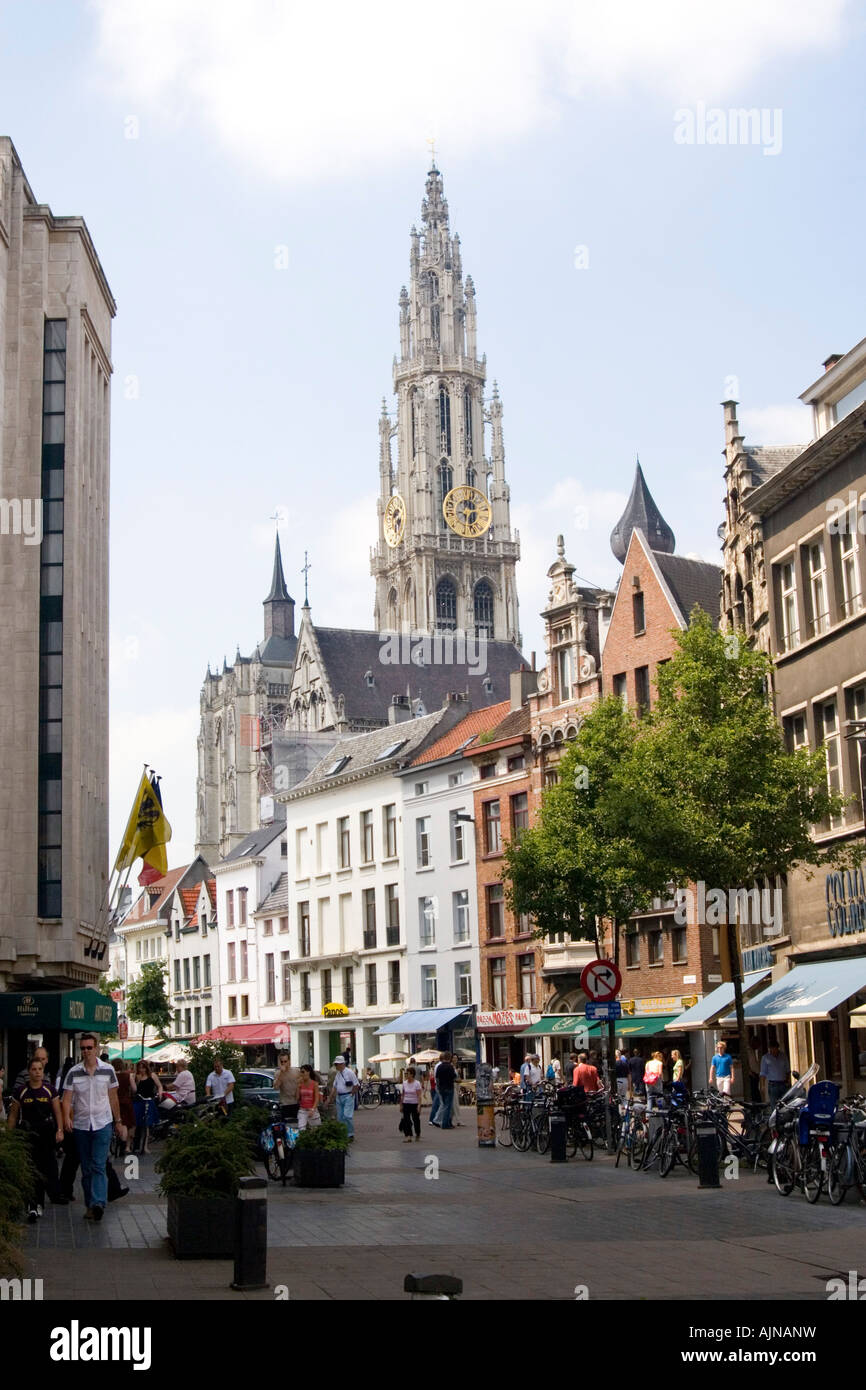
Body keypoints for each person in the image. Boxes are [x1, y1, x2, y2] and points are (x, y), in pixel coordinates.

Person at [61, 1033, 125, 1223]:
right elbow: (66, 1099)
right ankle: (91, 1204)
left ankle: (98, 1203)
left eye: (89, 1048)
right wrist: (66, 1118)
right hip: (81, 1125)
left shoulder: (108, 1070)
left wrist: (118, 1121)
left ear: (96, 1049)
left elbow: (113, 1097)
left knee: (98, 1165)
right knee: (87, 1168)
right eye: (83, 1048)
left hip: (102, 1123)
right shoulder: (74, 1072)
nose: (86, 1051)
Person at [7, 1058, 66, 1220]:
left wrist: (60, 1130)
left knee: (44, 1169)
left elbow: (57, 1112)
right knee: (30, 1169)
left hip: (46, 1134)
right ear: (29, 1072)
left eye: (40, 1069)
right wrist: (10, 1137)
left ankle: (40, 1202)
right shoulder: (20, 1091)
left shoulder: (49, 1090)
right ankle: (32, 1205)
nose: (37, 1072)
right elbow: (13, 1116)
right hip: (27, 1134)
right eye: (34, 1069)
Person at [132, 1060, 163, 1152]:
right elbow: (134, 1090)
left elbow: (159, 1086)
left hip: (148, 1101)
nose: (141, 1070)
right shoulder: (136, 1077)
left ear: (146, 1068)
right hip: (139, 1101)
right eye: (140, 1068)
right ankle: (135, 1145)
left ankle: (145, 1146)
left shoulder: (152, 1076)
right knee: (136, 1124)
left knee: (147, 1125)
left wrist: (160, 1093)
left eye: (143, 1068)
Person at [329, 1055, 359, 1141]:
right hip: (339, 1097)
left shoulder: (349, 1072)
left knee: (347, 1116)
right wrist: (330, 1098)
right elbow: (334, 1087)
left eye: (337, 1064)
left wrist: (351, 1094)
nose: (336, 1066)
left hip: (348, 1095)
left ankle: (350, 1134)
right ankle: (343, 1133)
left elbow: (356, 1084)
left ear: (342, 1064)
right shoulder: (338, 1074)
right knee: (340, 1117)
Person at [113, 1060, 136, 1151]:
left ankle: (118, 1139)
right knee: (127, 1123)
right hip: (126, 1101)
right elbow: (134, 1089)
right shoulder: (128, 1076)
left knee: (117, 1121)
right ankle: (126, 1145)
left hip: (115, 1101)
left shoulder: (112, 1076)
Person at [274, 1051, 301, 1122]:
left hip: (296, 1103)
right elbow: (276, 1087)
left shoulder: (296, 1071)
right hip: (285, 1104)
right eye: (281, 1061)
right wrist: (281, 1073)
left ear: (289, 1061)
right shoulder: (277, 1073)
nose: (283, 1063)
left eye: (285, 1061)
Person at [399, 1066, 422, 1141]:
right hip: (406, 1103)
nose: (406, 1075)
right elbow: (403, 1095)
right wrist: (401, 1105)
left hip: (414, 1103)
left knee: (416, 1120)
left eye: (407, 1074)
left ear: (412, 1074)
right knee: (406, 1120)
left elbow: (419, 1095)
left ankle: (417, 1133)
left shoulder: (417, 1083)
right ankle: (408, 1135)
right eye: (405, 1074)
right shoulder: (404, 1083)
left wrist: (419, 1105)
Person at [434, 1053, 457, 1129]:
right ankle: (445, 1124)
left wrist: (438, 1087)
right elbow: (454, 1077)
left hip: (441, 1088)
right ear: (449, 1058)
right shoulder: (450, 1067)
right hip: (449, 1088)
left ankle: (445, 1122)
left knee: (444, 1105)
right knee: (448, 1106)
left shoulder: (439, 1067)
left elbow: (437, 1079)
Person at [297, 1064, 322, 1129]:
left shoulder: (314, 1084)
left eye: (303, 1072)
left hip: (312, 1109)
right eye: (300, 1072)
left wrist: (313, 1109)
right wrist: (298, 1087)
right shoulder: (300, 1084)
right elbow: (297, 1098)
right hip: (302, 1110)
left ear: (308, 1072)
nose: (301, 1074)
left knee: (315, 1130)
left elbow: (317, 1099)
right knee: (301, 1129)